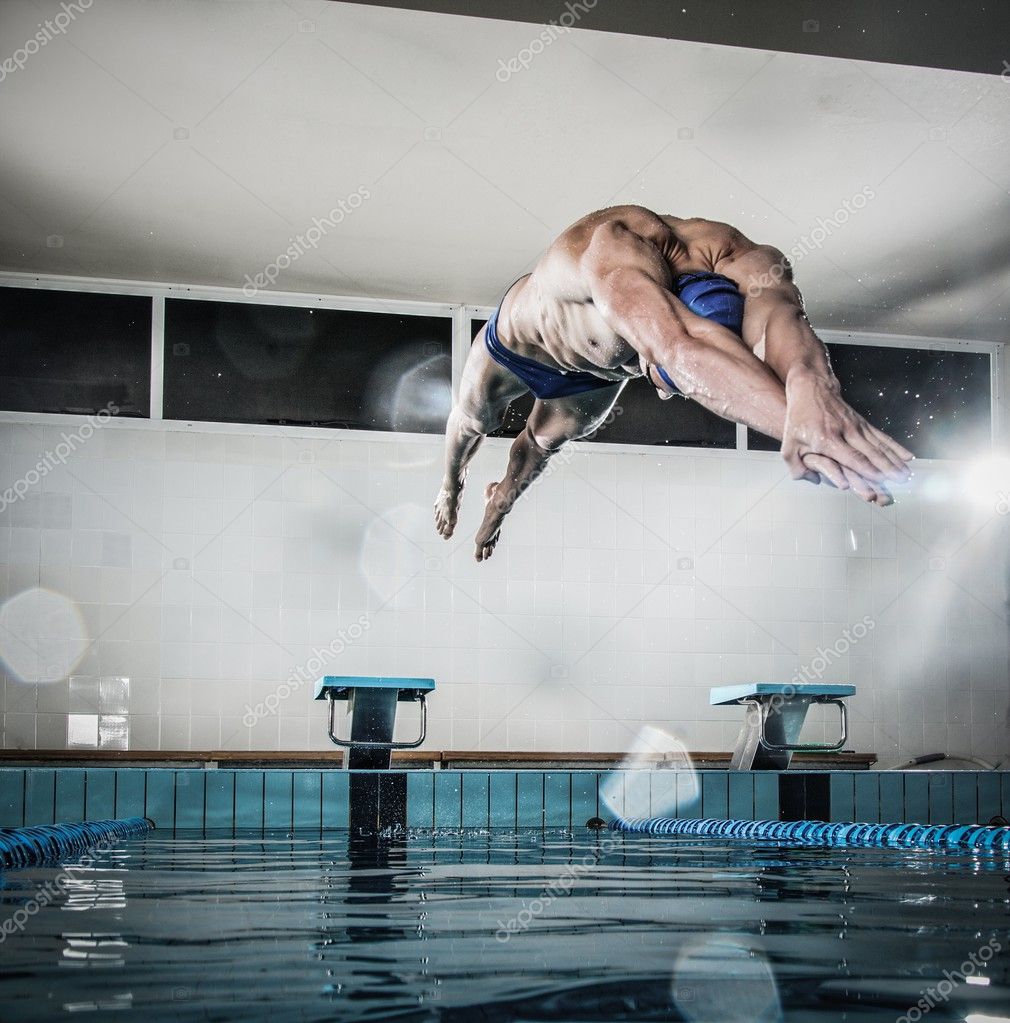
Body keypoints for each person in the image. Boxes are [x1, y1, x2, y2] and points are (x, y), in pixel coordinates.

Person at [434, 205, 913, 561]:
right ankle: (452, 486)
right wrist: (798, 426)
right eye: (669, 384)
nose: (664, 394)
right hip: (521, 346)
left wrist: (815, 391)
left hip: (591, 377)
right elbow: (678, 348)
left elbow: (783, 322)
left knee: (535, 452)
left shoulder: (747, 262)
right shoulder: (615, 251)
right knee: (472, 420)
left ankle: (498, 505)